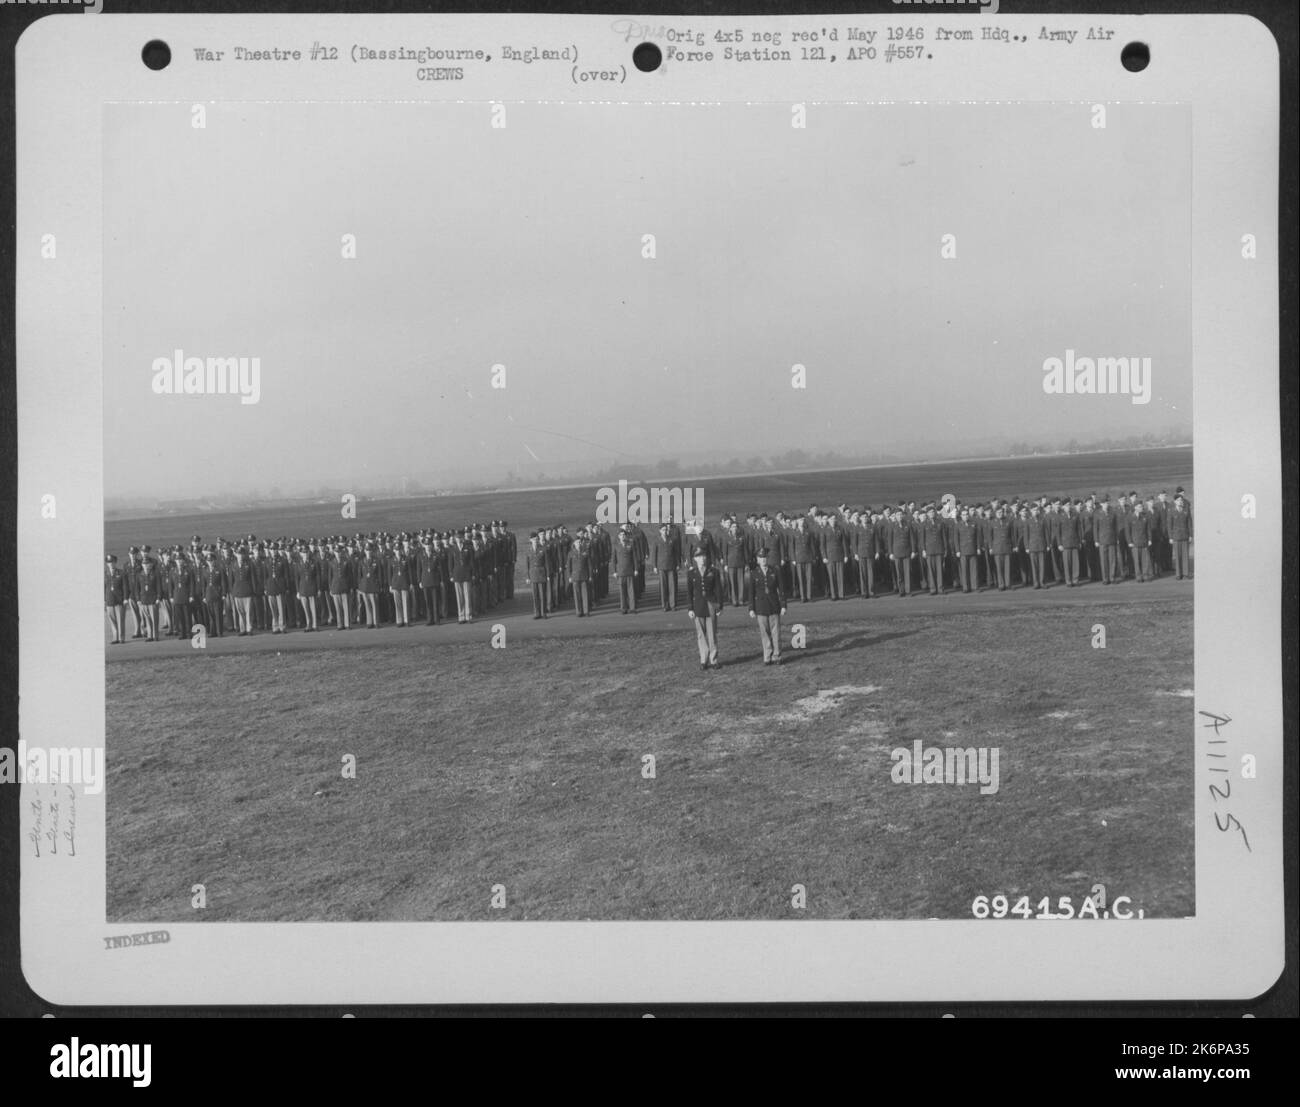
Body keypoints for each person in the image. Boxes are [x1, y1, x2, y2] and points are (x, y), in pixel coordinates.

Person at [685, 544, 724, 670]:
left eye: (703, 556)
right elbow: (689, 592)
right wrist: (690, 608)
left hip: (711, 605)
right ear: (694, 559)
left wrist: (719, 606)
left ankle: (713, 659)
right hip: (698, 606)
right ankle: (703, 659)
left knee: (712, 634)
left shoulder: (714, 572)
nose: (701, 559)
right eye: (698, 557)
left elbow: (718, 590)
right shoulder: (691, 573)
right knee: (700, 634)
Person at [748, 547, 786, 665]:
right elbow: (751, 593)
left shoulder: (775, 571)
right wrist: (751, 608)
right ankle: (767, 656)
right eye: (761, 558)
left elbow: (781, 589)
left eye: (765, 557)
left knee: (776, 633)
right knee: (764, 633)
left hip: (774, 605)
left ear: (767, 558)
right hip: (761, 607)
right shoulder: (754, 573)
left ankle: (777, 656)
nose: (763, 560)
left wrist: (783, 605)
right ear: (757, 559)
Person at [653, 522, 681, 611]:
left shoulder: (672, 539)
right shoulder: (656, 540)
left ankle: (673, 605)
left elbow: (676, 553)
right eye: (663, 530)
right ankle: (665, 605)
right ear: (660, 531)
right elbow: (654, 554)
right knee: (663, 587)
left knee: (672, 586)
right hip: (661, 566)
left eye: (666, 530)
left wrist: (678, 564)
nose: (665, 531)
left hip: (672, 565)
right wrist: (654, 566)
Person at [1168, 493, 1193, 579]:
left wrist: (1190, 535)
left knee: (1185, 555)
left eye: (1181, 500)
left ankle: (1186, 573)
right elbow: (1169, 525)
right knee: (1178, 556)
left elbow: (1190, 523)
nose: (1180, 502)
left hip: (1185, 535)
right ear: (1175, 501)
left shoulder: (1186, 510)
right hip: (1176, 536)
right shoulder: (1171, 511)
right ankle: (1178, 574)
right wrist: (1170, 537)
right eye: (1178, 500)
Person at [568, 534, 593, 617]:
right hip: (575, 576)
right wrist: (569, 576)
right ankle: (579, 611)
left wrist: (590, 575)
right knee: (577, 595)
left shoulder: (585, 552)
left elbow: (589, 565)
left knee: (585, 594)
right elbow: (569, 566)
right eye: (577, 542)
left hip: (584, 575)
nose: (578, 543)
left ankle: (586, 611)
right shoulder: (571, 553)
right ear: (574, 543)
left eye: (580, 542)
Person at [105, 554, 126, 644]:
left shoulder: (121, 573)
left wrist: (125, 598)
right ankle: (115, 638)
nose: (111, 564)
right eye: (109, 562)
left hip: (119, 600)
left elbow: (125, 587)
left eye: (112, 562)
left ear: (115, 562)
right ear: (107, 564)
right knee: (112, 620)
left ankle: (121, 638)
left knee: (120, 620)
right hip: (109, 600)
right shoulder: (105, 574)